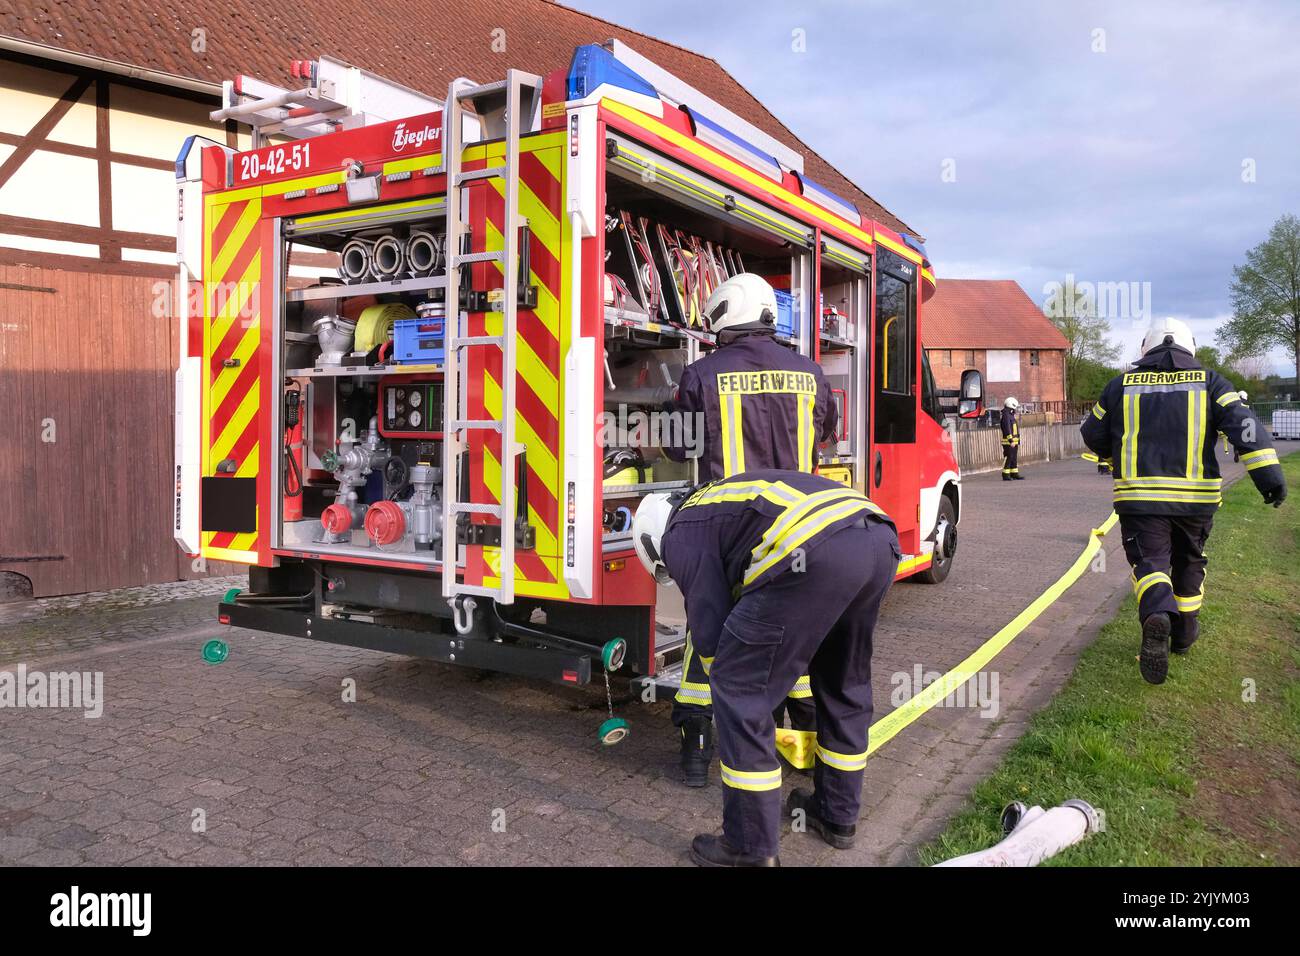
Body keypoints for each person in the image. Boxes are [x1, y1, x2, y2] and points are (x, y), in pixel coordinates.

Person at [632, 471, 899, 866]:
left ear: (655, 541)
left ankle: (748, 848)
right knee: (843, 681)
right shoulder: (716, 503)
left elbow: (709, 625)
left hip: (815, 546)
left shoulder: (681, 531)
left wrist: (737, 686)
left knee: (740, 691)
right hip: (877, 538)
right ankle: (836, 815)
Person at [664, 273, 840, 786]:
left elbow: (678, 447)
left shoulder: (701, 375)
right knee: (797, 636)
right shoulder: (810, 372)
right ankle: (804, 749)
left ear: (723, 317)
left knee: (709, 634)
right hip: (802, 531)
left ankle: (696, 753)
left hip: (730, 535)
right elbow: (826, 433)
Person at [1081, 318, 1286, 684]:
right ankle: (1185, 634)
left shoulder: (1120, 385)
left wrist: (1116, 449)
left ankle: (1158, 612)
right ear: (1189, 347)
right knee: (1190, 559)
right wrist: (1268, 475)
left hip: (1140, 500)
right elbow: (1245, 426)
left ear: (1146, 347)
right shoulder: (1210, 382)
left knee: (1150, 563)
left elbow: (1091, 432)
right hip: (1195, 502)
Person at [1000, 397, 1023, 480]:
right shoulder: (1006, 416)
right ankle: (1005, 474)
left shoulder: (1010, 415)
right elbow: (1007, 428)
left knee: (1014, 458)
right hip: (1009, 442)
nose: (1015, 409)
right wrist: (1011, 440)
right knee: (1009, 457)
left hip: (1014, 441)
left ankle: (1014, 473)